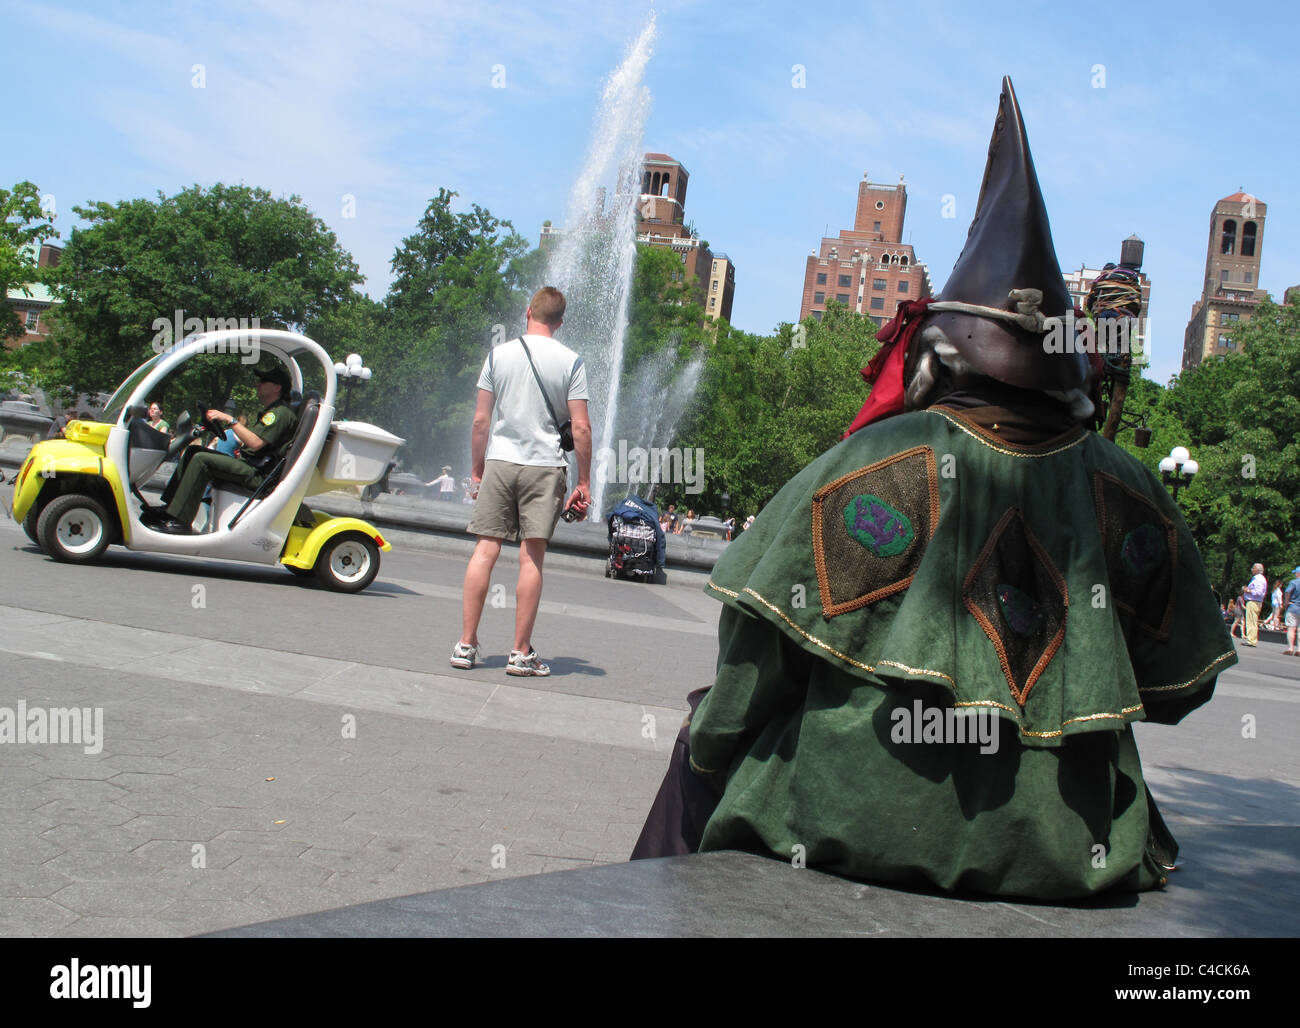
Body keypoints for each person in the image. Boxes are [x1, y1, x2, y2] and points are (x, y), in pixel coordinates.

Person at [631, 78, 1235, 900]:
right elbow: (1181, 686)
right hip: (1064, 851)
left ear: (933, 361)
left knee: (702, 742)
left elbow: (752, 665)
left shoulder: (872, 463)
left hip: (839, 820)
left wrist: (709, 747)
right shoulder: (1127, 487)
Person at [451, 287, 591, 676]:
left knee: (485, 551)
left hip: (500, 461)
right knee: (531, 557)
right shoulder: (571, 361)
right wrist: (585, 481)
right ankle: (519, 653)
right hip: (545, 466)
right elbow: (580, 427)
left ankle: (466, 644)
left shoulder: (498, 355)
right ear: (560, 323)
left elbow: (481, 421)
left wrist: (478, 469)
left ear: (527, 311)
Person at [144, 368, 297, 534]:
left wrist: (229, 420)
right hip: (250, 466)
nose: (258, 384)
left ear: (277, 388)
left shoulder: (280, 413)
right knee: (193, 451)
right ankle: (170, 509)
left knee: (201, 459)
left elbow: (255, 443)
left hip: (257, 473)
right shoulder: (273, 411)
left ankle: (180, 520)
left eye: (264, 381)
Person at [1243, 563, 1267, 646]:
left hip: (1254, 601)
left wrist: (1248, 590)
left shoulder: (1258, 579)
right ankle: (1251, 639)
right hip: (1255, 602)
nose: (1251, 569)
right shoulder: (1259, 579)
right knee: (1252, 621)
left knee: (1251, 621)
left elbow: (1259, 592)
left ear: (1258, 570)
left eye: (1253, 568)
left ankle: (1251, 640)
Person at [1284, 568, 1300, 656]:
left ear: (1298, 573)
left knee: (1291, 628)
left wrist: (1286, 604)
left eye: (1295, 573)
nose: (1294, 575)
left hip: (1293, 607)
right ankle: (1299, 650)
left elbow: (1287, 592)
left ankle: (1290, 648)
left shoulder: (1293, 582)